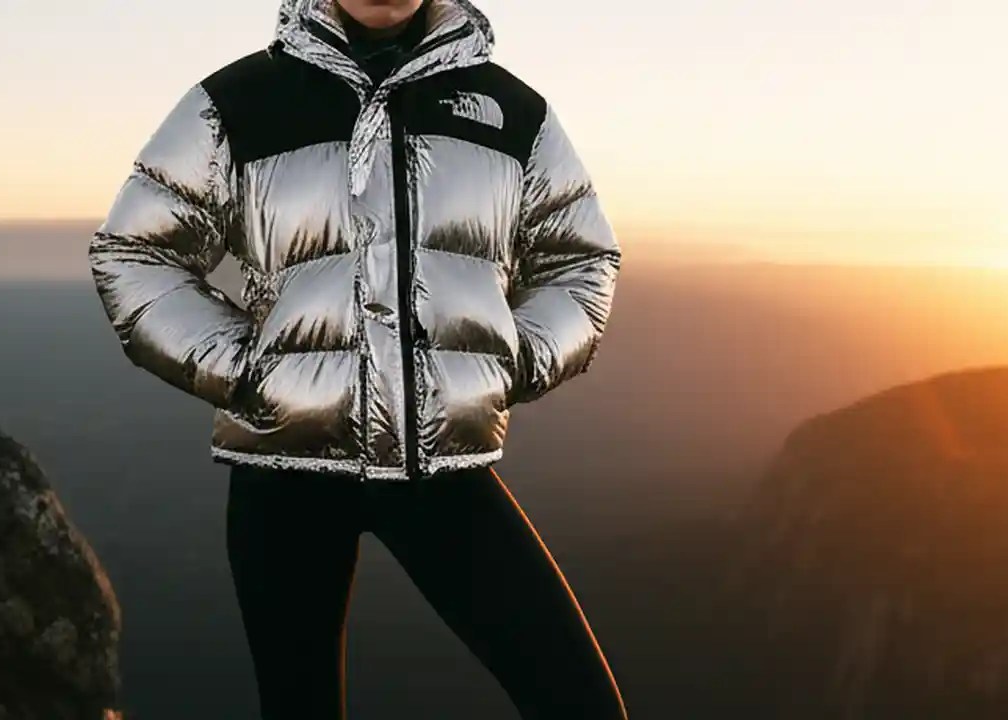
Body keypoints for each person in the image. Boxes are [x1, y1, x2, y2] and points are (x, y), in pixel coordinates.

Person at [87, 0, 627, 717]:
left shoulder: (508, 110)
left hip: (444, 473)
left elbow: (581, 260)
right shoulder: (240, 102)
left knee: (578, 701)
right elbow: (134, 252)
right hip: (284, 475)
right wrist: (250, 371)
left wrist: (510, 360)